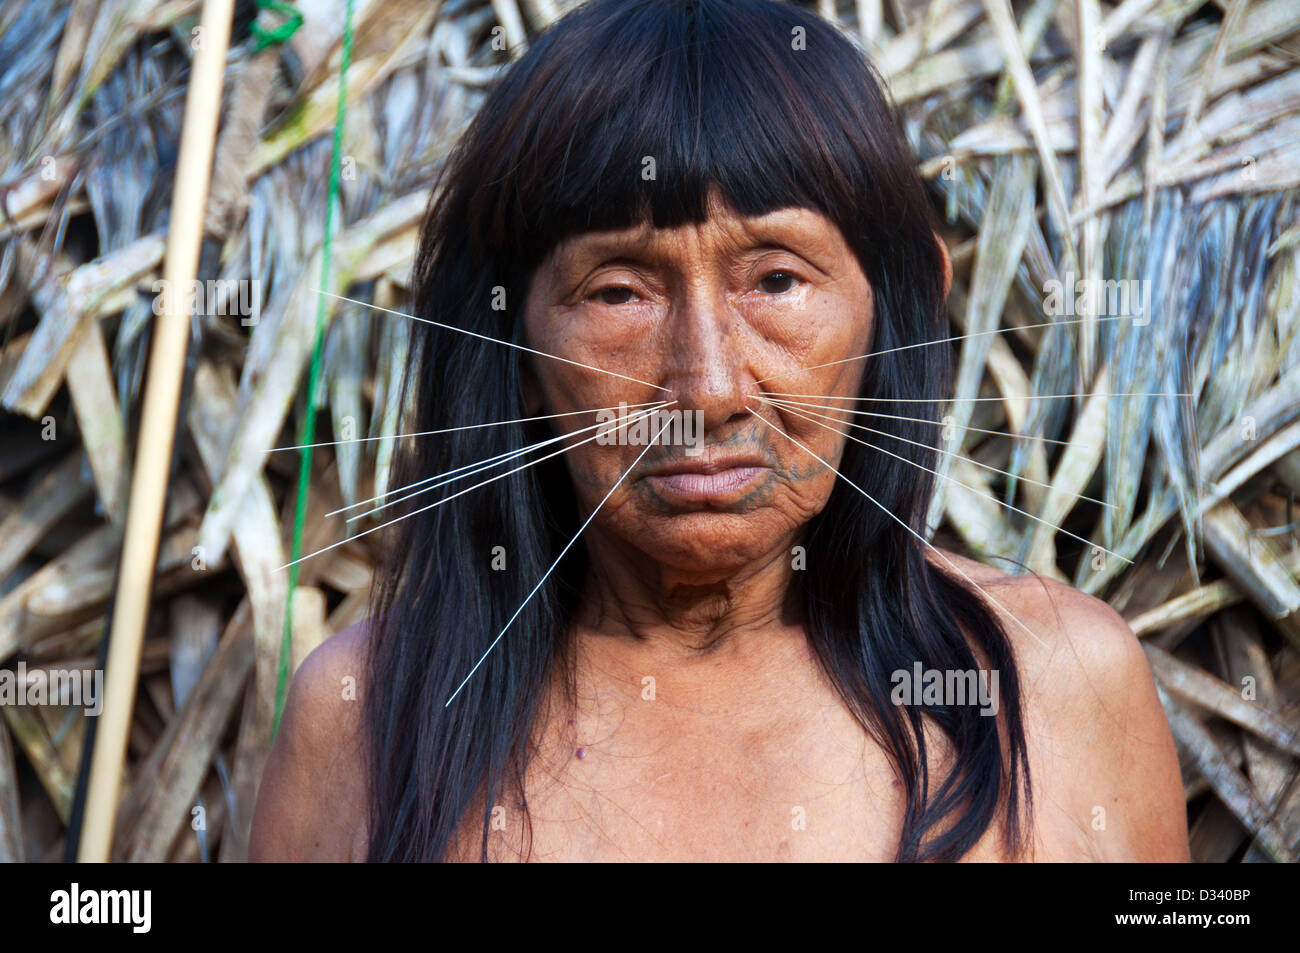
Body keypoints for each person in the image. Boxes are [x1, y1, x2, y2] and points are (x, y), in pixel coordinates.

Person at [250, 0, 1188, 862]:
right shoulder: (366, 714)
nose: (707, 387)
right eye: (618, 290)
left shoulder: (1063, 683)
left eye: (776, 281)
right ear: (512, 343)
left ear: (898, 312)